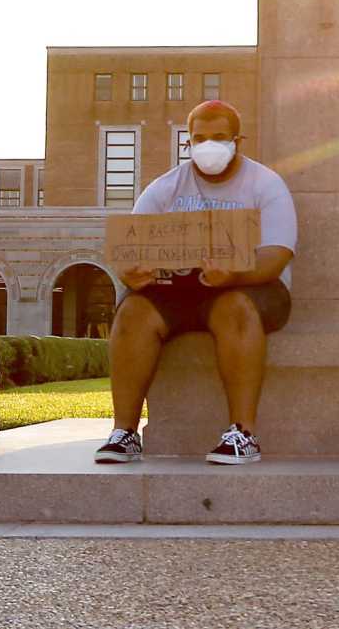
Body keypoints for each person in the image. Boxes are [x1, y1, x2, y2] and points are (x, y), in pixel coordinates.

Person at [95, 100, 296, 467]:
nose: (209, 146)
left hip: (251, 287)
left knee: (233, 306)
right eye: (199, 138)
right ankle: (123, 432)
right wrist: (131, 273)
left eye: (219, 137)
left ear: (238, 140)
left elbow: (277, 255)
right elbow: (129, 250)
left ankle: (243, 433)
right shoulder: (164, 188)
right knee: (133, 310)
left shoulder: (266, 184)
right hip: (180, 290)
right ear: (188, 142)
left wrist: (235, 274)